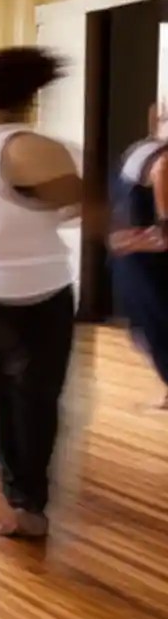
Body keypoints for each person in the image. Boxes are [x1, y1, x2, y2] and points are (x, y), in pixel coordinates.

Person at [0, 47, 80, 539]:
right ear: (33, 93)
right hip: (37, 289)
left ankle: (16, 493)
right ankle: (28, 502)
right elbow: (78, 202)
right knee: (37, 398)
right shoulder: (33, 147)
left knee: (1, 396)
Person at [109, 102, 168, 406]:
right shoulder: (147, 150)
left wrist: (147, 238)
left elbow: (164, 228)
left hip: (146, 258)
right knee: (144, 326)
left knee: (153, 324)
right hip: (137, 258)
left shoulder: (160, 158)